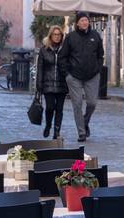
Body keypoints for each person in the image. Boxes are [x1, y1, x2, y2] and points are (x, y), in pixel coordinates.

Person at [64, 11, 104, 143]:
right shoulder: (70, 37)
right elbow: (63, 57)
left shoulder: (95, 36)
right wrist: (67, 74)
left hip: (92, 75)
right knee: (77, 104)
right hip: (74, 76)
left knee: (92, 103)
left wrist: (97, 68)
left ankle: (85, 122)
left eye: (86, 20)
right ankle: (81, 132)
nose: (85, 22)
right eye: (82, 20)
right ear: (77, 23)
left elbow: (100, 55)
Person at [37, 25, 69, 140]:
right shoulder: (44, 49)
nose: (57, 37)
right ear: (51, 35)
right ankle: (48, 125)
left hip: (62, 83)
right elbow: (40, 68)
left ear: (61, 36)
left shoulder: (65, 49)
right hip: (48, 84)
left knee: (59, 109)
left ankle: (57, 131)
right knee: (50, 107)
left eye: (59, 34)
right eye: (55, 34)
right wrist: (39, 84)